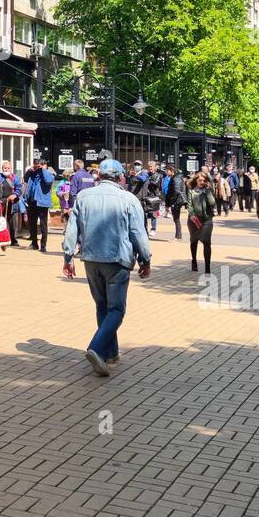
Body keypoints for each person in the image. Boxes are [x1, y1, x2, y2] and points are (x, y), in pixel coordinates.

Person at [61, 158, 152, 378]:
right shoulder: (128, 199)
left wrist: (68, 257)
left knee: (102, 305)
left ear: (99, 176)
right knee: (117, 310)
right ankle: (96, 348)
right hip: (117, 259)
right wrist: (145, 259)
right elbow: (138, 233)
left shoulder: (83, 197)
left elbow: (71, 230)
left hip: (91, 259)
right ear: (121, 177)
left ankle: (111, 352)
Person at [22, 156, 56, 252]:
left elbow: (48, 181)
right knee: (32, 224)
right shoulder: (32, 174)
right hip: (32, 202)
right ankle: (34, 243)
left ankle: (43, 245)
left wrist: (44, 170)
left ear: (44, 166)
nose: (37, 168)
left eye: (39, 166)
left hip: (42, 203)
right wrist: (30, 170)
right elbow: (25, 179)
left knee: (43, 225)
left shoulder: (49, 173)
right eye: (36, 166)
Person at [186, 171, 216, 272]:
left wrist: (208, 191)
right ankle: (194, 261)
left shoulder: (209, 190)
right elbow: (189, 207)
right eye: (200, 180)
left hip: (207, 220)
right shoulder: (191, 191)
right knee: (193, 241)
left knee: (207, 243)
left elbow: (212, 203)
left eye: (204, 180)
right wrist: (193, 216)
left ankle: (207, 267)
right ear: (196, 181)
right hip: (194, 220)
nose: (202, 182)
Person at [0, 159, 22, 248]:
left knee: (12, 222)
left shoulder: (14, 178)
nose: (6, 170)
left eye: (8, 168)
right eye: (5, 168)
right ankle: (2, 239)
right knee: (1, 221)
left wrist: (15, 195)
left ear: (11, 169)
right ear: (2, 169)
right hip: (1, 202)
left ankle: (13, 239)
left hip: (12, 202)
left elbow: (19, 188)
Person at [164, 167, 187, 240]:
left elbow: (176, 191)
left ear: (172, 171)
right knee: (176, 219)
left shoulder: (176, 179)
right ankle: (178, 236)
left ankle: (178, 236)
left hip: (177, 201)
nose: (166, 172)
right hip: (177, 200)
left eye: (167, 171)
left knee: (176, 219)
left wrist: (172, 202)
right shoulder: (175, 178)